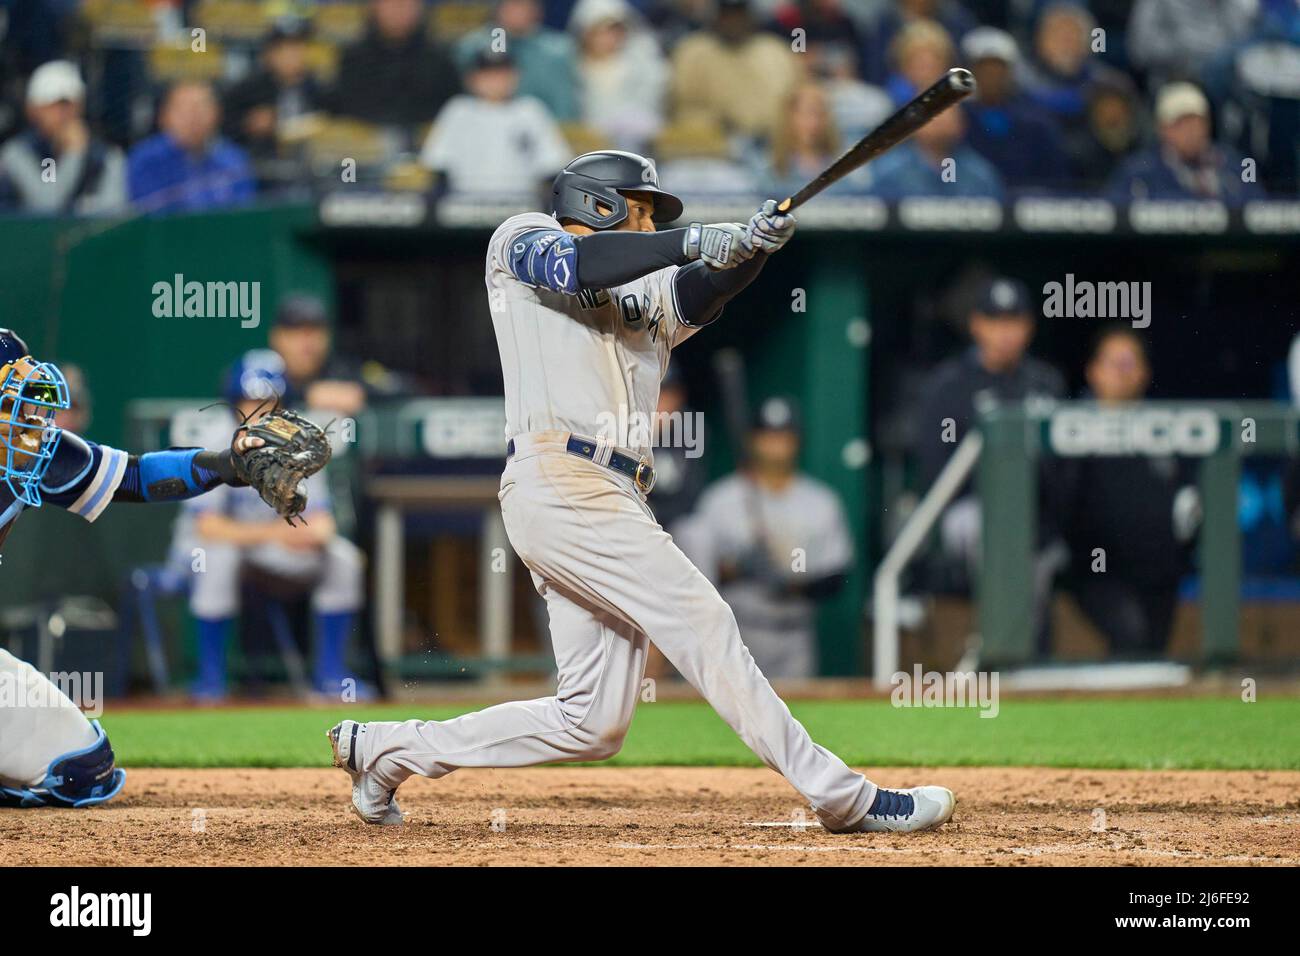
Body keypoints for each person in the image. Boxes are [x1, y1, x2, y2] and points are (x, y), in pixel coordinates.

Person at [327, 149, 955, 834]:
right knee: (705, 622)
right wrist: (692, 240)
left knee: (591, 722)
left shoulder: (648, 288)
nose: (652, 218)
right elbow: (578, 266)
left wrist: (750, 252)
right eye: (642, 205)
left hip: (612, 490)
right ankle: (844, 797)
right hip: (561, 478)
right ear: (597, 200)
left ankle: (388, 750)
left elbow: (701, 291)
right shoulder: (522, 237)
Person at [0, 328, 265, 808]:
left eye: (25, 400)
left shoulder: (30, 451)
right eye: (9, 402)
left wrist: (228, 465)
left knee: (82, 768)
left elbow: (136, 475)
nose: (28, 418)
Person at [170, 351, 365, 700]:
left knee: (343, 559)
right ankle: (211, 680)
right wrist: (278, 532)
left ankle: (332, 676)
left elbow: (321, 527)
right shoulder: (215, 439)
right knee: (218, 557)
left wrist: (298, 534)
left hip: (268, 552)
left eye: (269, 401)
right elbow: (208, 528)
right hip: (204, 551)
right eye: (251, 400)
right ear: (234, 401)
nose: (261, 410)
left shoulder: (296, 443)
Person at [912, 278, 1065, 647]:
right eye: (995, 321)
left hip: (1038, 519)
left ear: (1028, 327)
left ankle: (1022, 653)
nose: (1005, 332)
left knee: (1044, 547)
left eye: (1014, 321)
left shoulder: (1045, 383)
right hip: (970, 512)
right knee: (995, 534)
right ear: (977, 324)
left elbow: (1065, 473)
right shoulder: (948, 385)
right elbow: (934, 471)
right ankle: (1005, 647)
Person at [677, 396, 853, 679]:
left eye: (783, 437)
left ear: (797, 441)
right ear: (753, 441)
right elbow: (692, 574)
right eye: (768, 437)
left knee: (794, 719)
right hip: (739, 631)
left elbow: (836, 578)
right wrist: (742, 568)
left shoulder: (821, 501)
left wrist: (792, 585)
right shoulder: (721, 499)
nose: (775, 446)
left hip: (794, 634)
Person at [1058, 327, 1199, 655]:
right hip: (1095, 570)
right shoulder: (1069, 427)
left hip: (1159, 571)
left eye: (1129, 362)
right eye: (1113, 363)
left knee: (1152, 648)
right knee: (1130, 635)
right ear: (1092, 371)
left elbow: (1191, 500)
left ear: (1145, 372)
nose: (1122, 372)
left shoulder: (1168, 429)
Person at [419, 49, 570, 199]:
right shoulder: (458, 110)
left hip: (521, 203)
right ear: (472, 79)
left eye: (502, 75)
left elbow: (552, 166)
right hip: (464, 202)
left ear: (516, 77)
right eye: (488, 75)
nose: (495, 81)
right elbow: (437, 165)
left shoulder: (531, 110)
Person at [0, 60, 127, 215]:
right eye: (53, 105)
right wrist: (73, 154)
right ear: (32, 109)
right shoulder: (20, 152)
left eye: (68, 105)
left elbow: (112, 214)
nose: (62, 113)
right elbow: (47, 207)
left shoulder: (105, 156)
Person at [1107, 82, 1263, 205]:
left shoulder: (1234, 165)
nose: (1190, 131)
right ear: (1162, 129)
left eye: (1196, 121)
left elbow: (1259, 210)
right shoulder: (1139, 170)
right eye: (1180, 123)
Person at [670, 0, 801, 141]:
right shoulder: (692, 52)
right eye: (727, 15)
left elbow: (796, 102)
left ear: (750, 16)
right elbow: (679, 109)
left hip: (771, 142)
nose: (733, 21)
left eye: (739, 14)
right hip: (709, 145)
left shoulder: (775, 51)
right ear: (715, 16)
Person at [960, 27, 1070, 192]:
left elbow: (1057, 181)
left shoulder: (1036, 122)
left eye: (998, 69)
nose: (991, 76)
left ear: (1010, 72)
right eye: (984, 69)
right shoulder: (958, 119)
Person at [126, 80, 256, 213]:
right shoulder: (146, 160)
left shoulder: (234, 159)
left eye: (201, 108)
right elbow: (148, 215)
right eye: (184, 109)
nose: (194, 117)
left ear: (217, 114)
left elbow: (242, 214)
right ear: (164, 116)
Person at [328, 0, 460, 128]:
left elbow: (453, 110)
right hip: (362, 146)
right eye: (390, 2)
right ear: (374, 6)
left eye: (406, 3)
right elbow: (340, 108)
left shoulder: (441, 58)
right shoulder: (352, 58)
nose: (398, 8)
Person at [221, 16, 322, 179]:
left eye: (298, 48)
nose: (294, 56)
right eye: (285, 49)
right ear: (270, 54)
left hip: (311, 165)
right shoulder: (246, 90)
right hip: (262, 168)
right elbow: (223, 133)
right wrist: (248, 126)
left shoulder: (318, 88)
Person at [457, 0, 580, 123]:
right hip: (484, 125)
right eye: (513, 4)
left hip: (543, 130)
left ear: (537, 9)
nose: (518, 11)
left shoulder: (557, 50)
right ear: (498, 8)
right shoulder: (474, 46)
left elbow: (564, 105)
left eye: (524, 5)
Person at [569, 0, 667, 152]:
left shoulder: (641, 68)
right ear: (586, 33)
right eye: (601, 32)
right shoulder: (572, 67)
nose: (610, 38)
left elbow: (650, 110)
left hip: (635, 144)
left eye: (616, 31)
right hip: (584, 146)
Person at [867, 102, 1004, 199]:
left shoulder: (979, 173)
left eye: (948, 119)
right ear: (914, 126)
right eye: (935, 119)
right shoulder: (890, 171)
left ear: (961, 126)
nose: (941, 125)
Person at [756, 82, 870, 198]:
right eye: (806, 114)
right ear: (789, 117)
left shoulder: (845, 167)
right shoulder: (770, 168)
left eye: (820, 114)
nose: (813, 123)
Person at [268, 294, 368, 418]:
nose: (307, 344)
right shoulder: (263, 372)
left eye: (314, 332)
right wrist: (306, 394)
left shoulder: (342, 370)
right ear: (277, 337)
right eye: (296, 333)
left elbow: (390, 387)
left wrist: (362, 393)